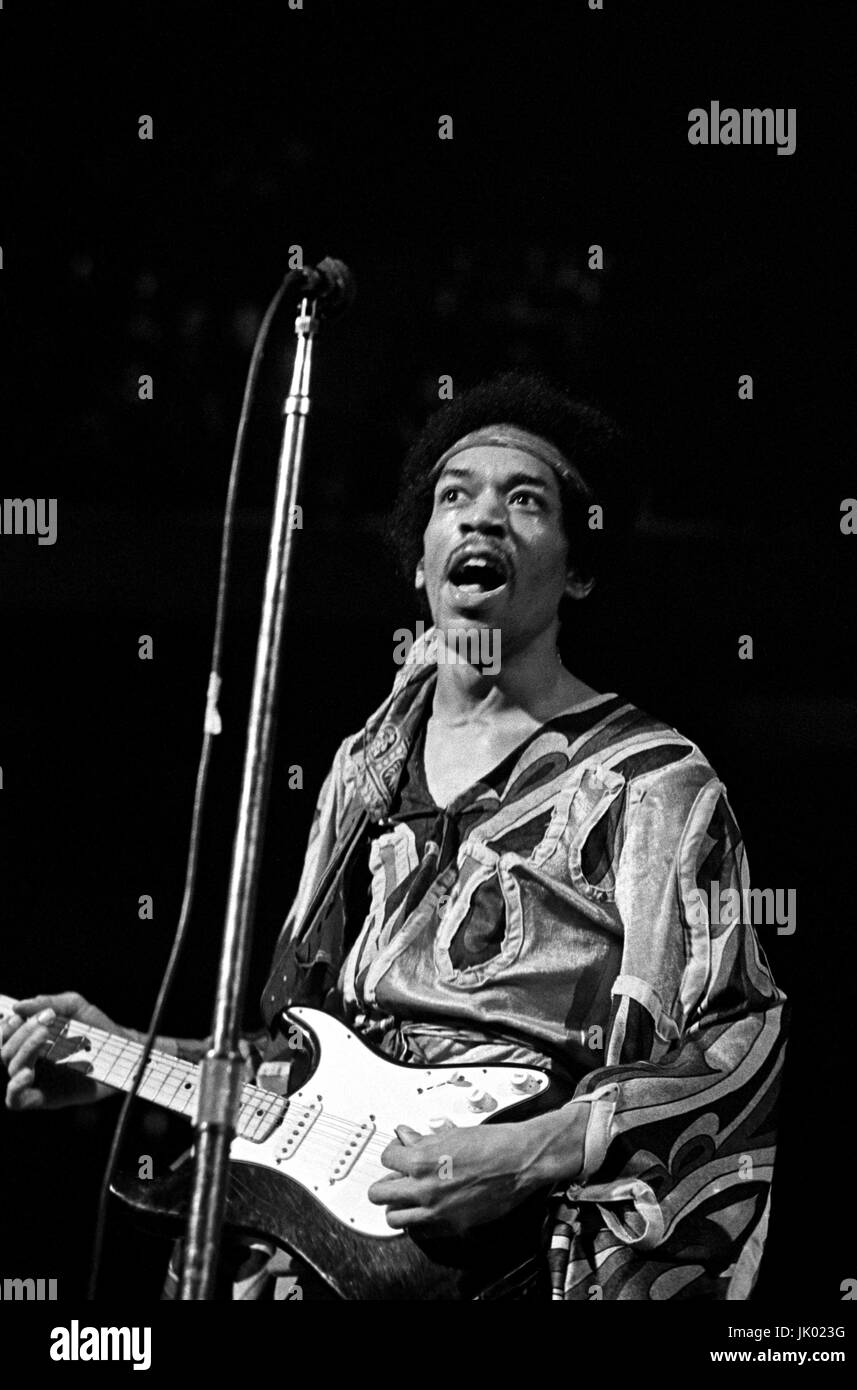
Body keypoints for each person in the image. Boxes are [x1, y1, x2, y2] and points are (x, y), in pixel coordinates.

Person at [1, 372, 787, 1300]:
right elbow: (300, 1074)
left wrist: (530, 1154)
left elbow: (741, 1043)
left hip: (524, 1261)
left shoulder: (654, 783)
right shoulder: (359, 777)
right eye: (454, 498)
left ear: (577, 568)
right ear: (419, 561)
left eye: (524, 501)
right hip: (316, 1264)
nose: (483, 518)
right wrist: (121, 1056)